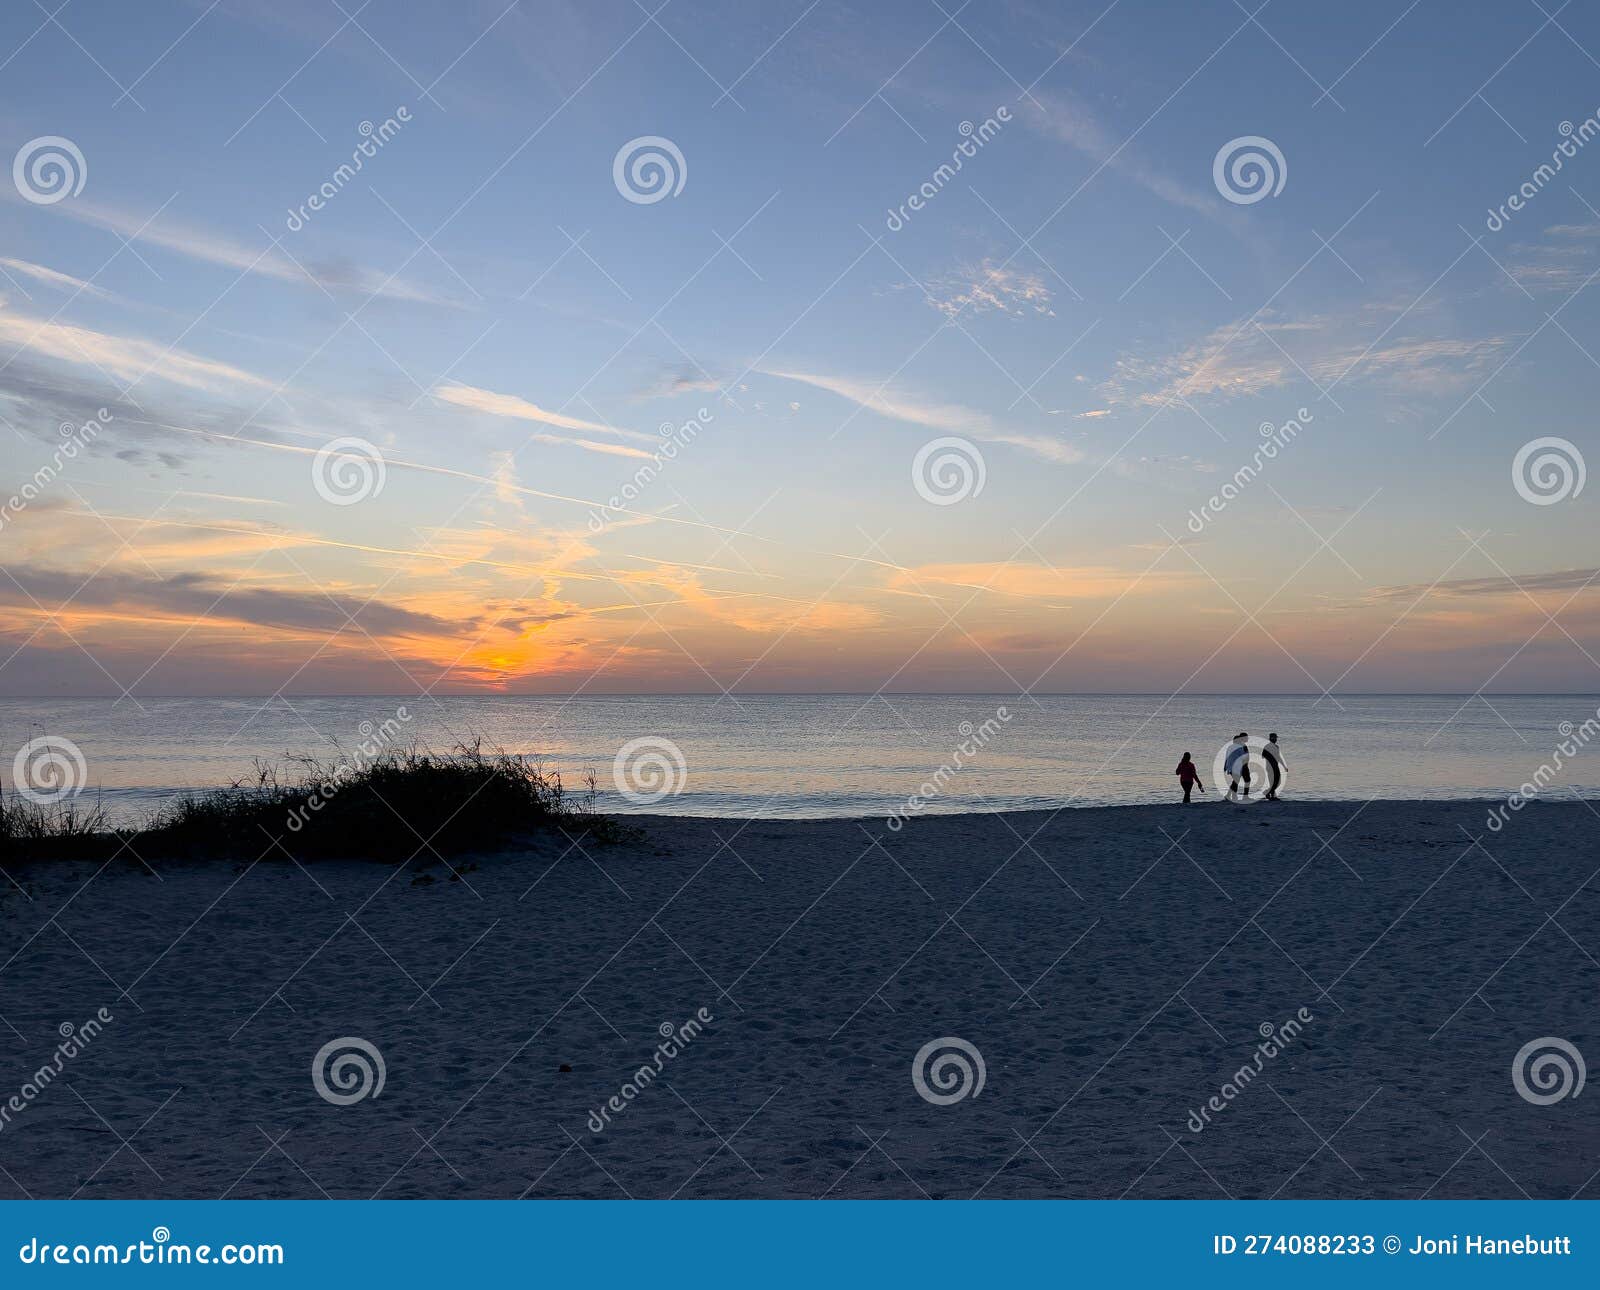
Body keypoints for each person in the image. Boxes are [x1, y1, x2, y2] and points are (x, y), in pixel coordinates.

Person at [1224, 732, 1251, 799]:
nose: (1247, 738)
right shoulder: (1242, 746)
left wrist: (1225, 766)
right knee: (1247, 780)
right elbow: (1244, 757)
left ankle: (1229, 795)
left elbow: (1227, 757)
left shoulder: (1234, 746)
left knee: (1236, 781)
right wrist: (1245, 765)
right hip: (1242, 765)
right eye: (1246, 737)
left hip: (1235, 766)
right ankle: (1244, 796)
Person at [1263, 732, 1283, 800]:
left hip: (1275, 766)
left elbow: (1279, 757)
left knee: (1278, 782)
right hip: (1269, 766)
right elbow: (1263, 756)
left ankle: (1268, 793)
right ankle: (1272, 795)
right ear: (1270, 738)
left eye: (1275, 738)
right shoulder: (1267, 746)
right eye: (1274, 738)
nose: (1275, 739)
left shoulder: (1277, 747)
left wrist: (1283, 766)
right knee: (1273, 781)